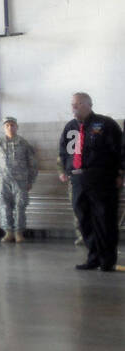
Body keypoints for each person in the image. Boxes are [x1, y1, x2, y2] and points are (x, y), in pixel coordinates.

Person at [58, 92, 123, 271]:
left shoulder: (105, 124)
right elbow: (64, 151)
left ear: (89, 104)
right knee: (84, 219)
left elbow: (119, 150)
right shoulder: (70, 127)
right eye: (72, 104)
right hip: (78, 180)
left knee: (104, 219)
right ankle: (93, 257)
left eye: (77, 104)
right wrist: (66, 169)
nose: (73, 107)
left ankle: (107, 260)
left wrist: (120, 173)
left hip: (101, 178)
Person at [0, 116, 38, 243]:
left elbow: (32, 164)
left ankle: (19, 232)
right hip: (2, 180)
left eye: (12, 125)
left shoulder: (24, 143)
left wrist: (30, 181)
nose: (10, 127)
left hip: (20, 181)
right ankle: (8, 232)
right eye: (7, 125)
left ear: (17, 127)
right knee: (4, 206)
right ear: (4, 128)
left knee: (20, 206)